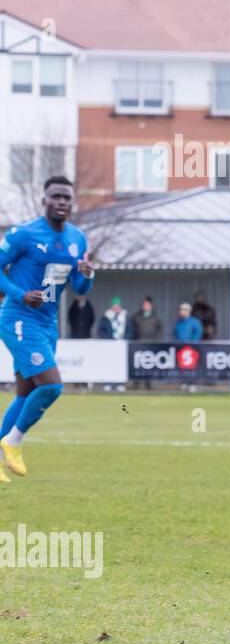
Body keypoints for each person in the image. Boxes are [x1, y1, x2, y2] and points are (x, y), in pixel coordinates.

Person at [0, 175, 95, 483]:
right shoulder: (24, 234)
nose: (61, 202)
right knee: (52, 386)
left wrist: (88, 275)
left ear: (72, 202)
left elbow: (80, 287)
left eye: (67, 197)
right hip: (18, 317)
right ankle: (13, 442)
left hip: (47, 322)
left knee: (26, 392)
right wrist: (19, 295)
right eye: (56, 196)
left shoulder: (78, 239)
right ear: (44, 200)